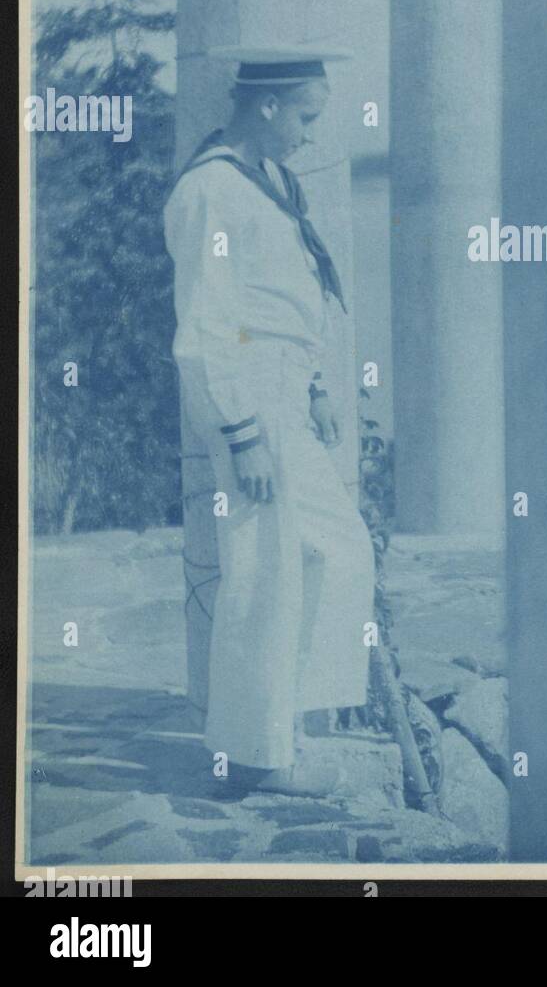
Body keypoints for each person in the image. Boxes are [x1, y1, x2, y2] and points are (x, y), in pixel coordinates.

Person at [163, 45, 375, 797]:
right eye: (306, 118)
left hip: (286, 387)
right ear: (267, 106)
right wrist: (242, 430)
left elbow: (293, 292)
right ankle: (261, 756)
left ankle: (285, 727)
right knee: (263, 573)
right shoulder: (211, 192)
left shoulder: (274, 181)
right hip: (246, 391)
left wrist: (315, 384)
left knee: (339, 554)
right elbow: (208, 325)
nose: (311, 136)